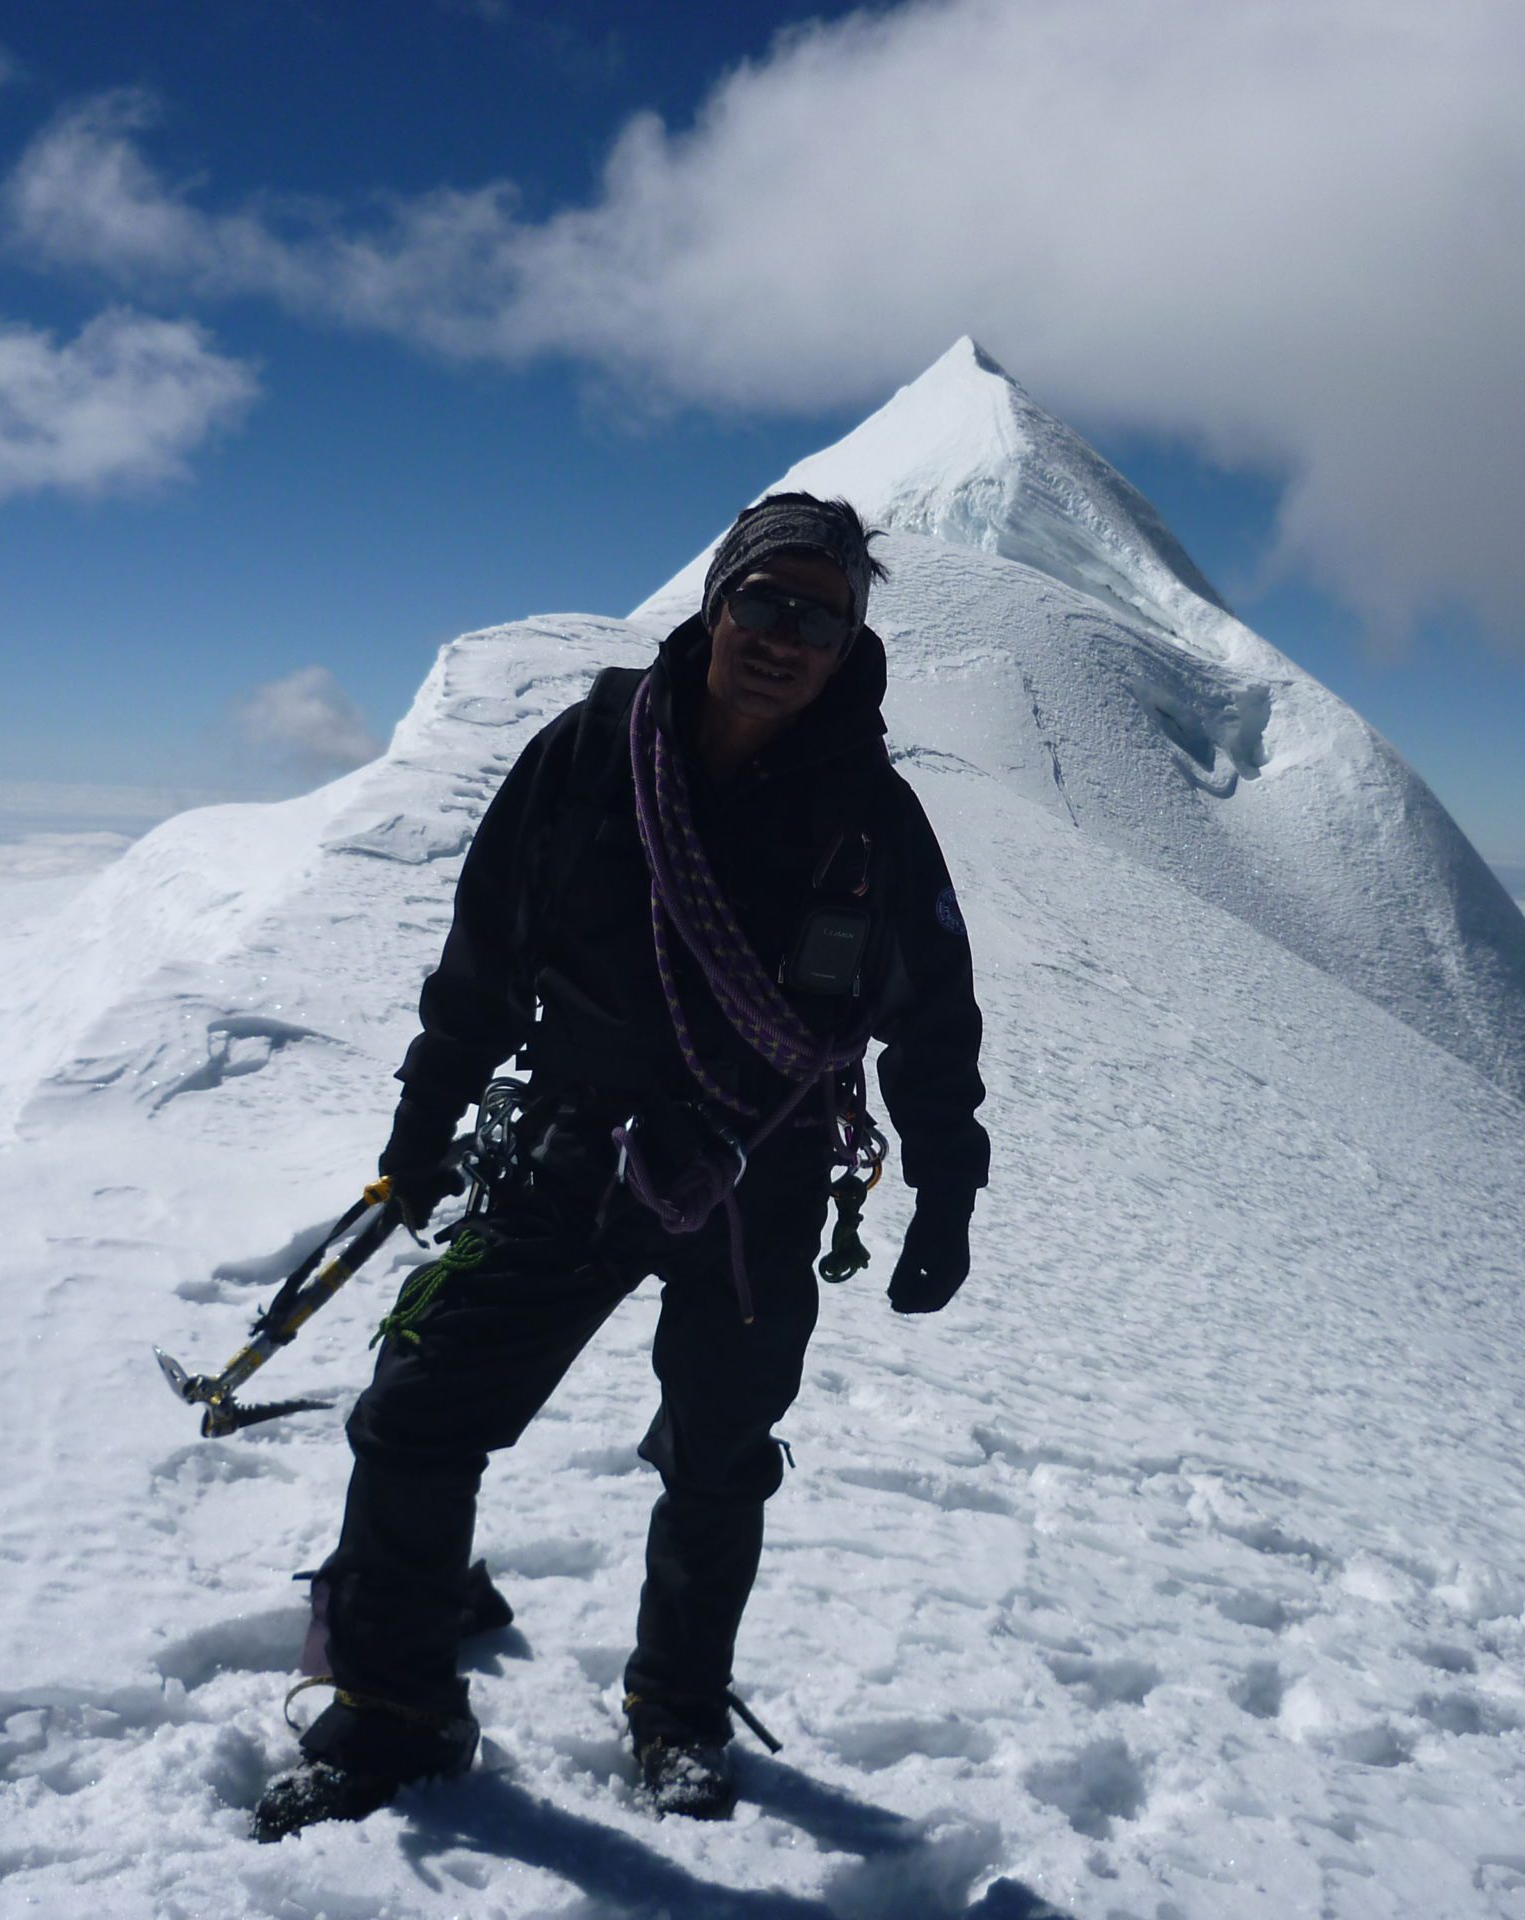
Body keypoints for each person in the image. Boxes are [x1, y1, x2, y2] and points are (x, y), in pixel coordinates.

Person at [254, 494, 990, 1839]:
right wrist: (423, 1129)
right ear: (715, 603)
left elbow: (933, 1014)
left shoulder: (871, 818)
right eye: (765, 602)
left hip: (761, 1177)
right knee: (417, 1412)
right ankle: (392, 1711)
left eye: (820, 618)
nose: (785, 637)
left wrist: (947, 1185)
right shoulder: (593, 756)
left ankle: (678, 1710)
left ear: (849, 647)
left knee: (719, 1455)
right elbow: (481, 960)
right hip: (572, 1147)